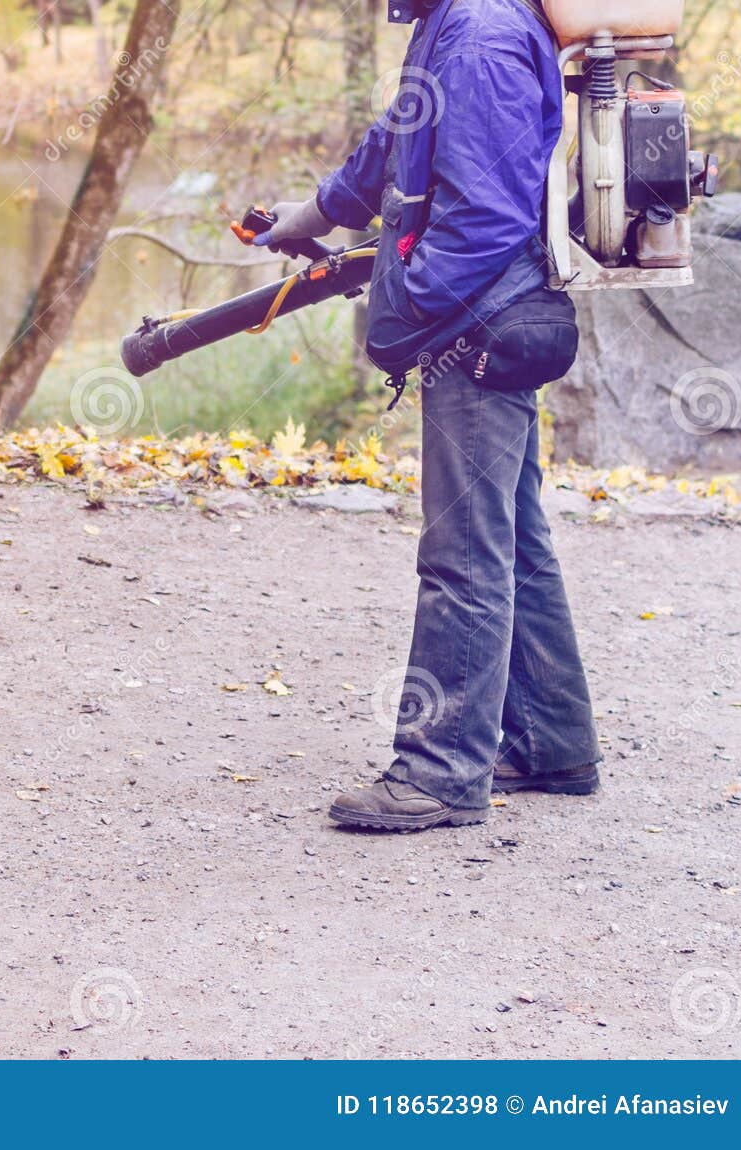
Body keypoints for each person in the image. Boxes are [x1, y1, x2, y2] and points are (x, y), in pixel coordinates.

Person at [258, 0, 602, 831]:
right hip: (486, 316)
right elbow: (396, 138)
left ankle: (442, 773)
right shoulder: (453, 20)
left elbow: (487, 218)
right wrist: (315, 214)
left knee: (463, 553)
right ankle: (554, 743)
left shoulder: (478, 34)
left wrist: (411, 306)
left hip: (479, 326)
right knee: (511, 537)